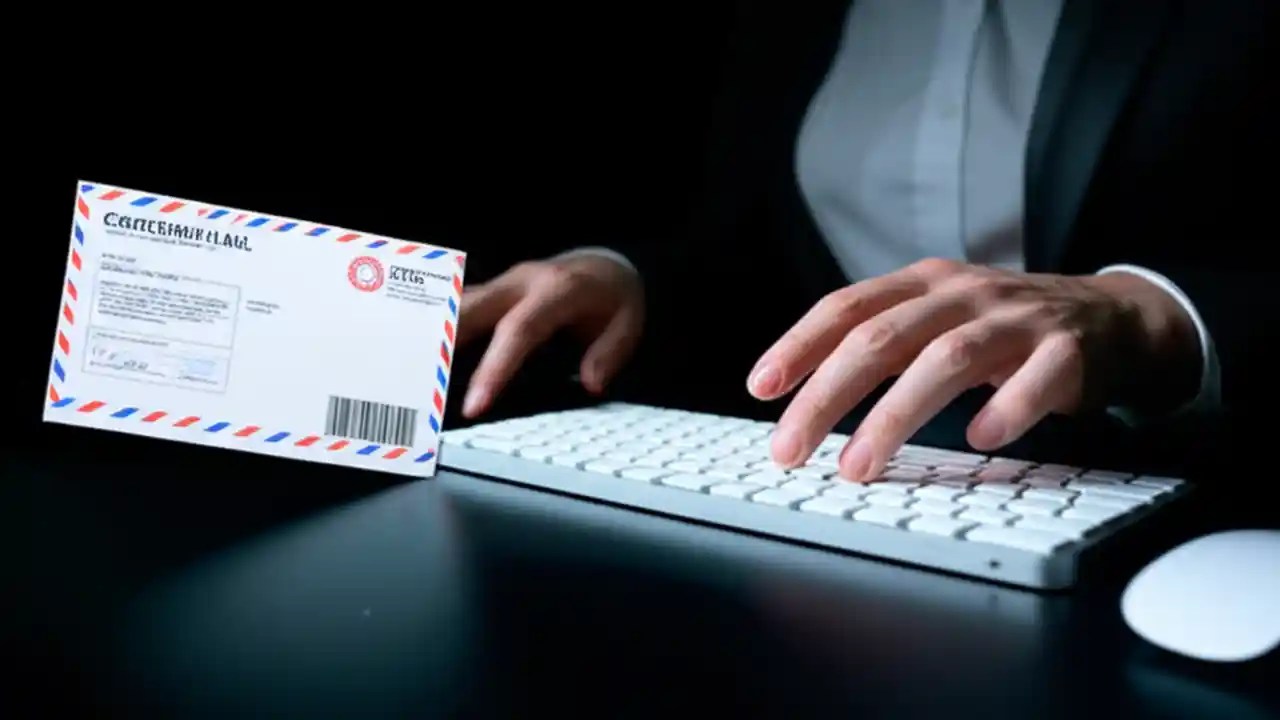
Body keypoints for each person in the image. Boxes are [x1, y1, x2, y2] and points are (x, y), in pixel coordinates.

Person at [454, 0, 1272, 482]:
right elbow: (756, 247)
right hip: (835, 489)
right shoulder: (792, 18)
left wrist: (1159, 319)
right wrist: (632, 280)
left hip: (1185, 488)